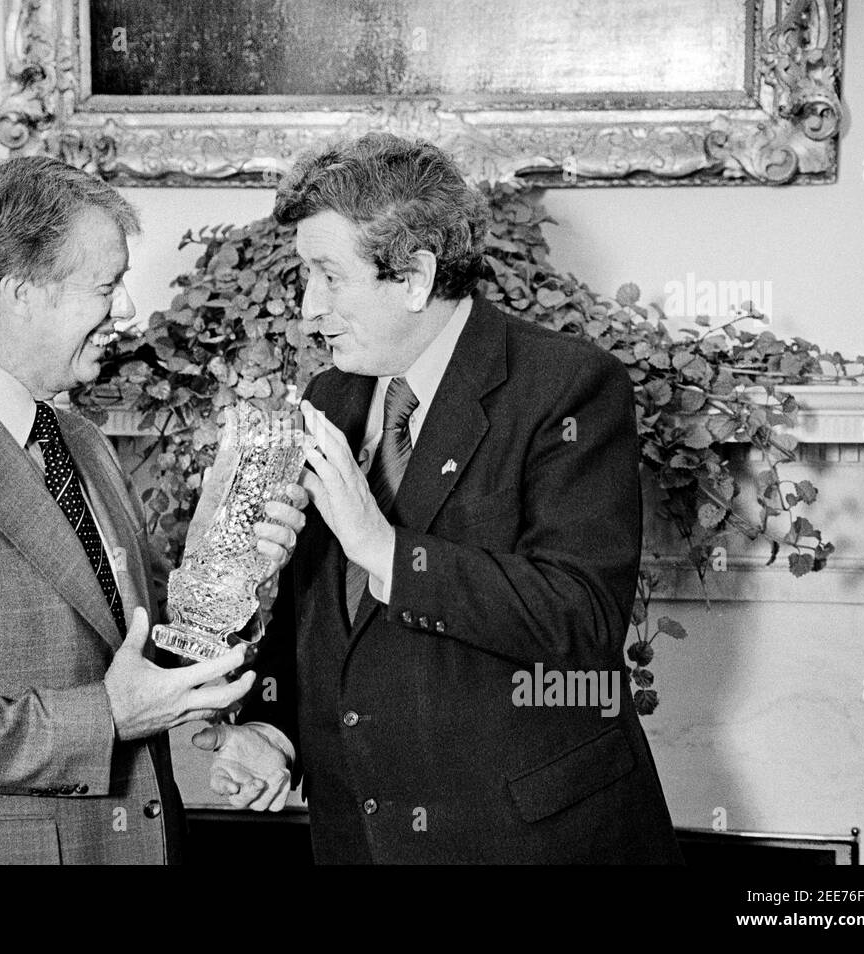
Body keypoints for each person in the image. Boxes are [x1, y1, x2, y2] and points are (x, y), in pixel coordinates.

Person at [194, 134, 682, 864]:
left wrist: (382, 547)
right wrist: (275, 727)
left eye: (328, 277)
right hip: (361, 840)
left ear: (416, 276)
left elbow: (579, 617)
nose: (307, 309)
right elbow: (323, 612)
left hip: (529, 844)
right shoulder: (332, 393)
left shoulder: (568, 388)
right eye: (306, 277)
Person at [0, 156, 305, 864]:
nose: (126, 309)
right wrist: (104, 716)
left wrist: (237, 583)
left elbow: (138, 650)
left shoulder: (83, 442)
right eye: (107, 285)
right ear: (21, 294)